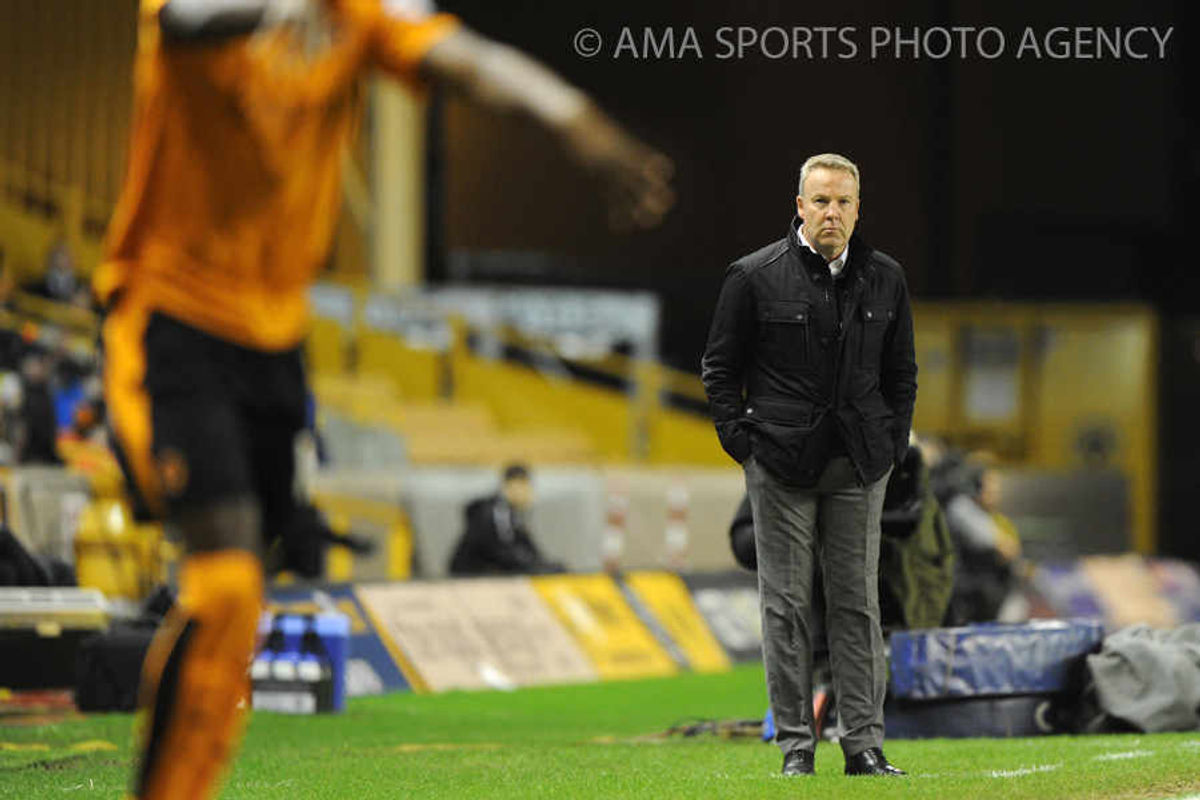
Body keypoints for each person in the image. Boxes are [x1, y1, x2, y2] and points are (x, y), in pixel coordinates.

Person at [98, 3, 673, 798]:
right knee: (225, 585)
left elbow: (471, 60)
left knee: (242, 600)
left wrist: (576, 119)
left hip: (276, 337)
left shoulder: (357, 16)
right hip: (173, 318)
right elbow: (191, 20)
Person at [701, 153, 917, 777]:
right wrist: (743, 445)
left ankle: (864, 747)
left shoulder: (887, 278)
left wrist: (891, 445)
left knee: (858, 606)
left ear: (858, 209)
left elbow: (902, 373)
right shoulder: (752, 276)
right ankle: (798, 748)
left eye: (843, 202)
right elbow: (719, 369)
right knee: (786, 606)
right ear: (799, 207)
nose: (832, 213)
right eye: (820, 201)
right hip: (780, 464)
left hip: (859, 465)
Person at [448, 462, 563, 576]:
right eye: (523, 486)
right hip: (472, 575)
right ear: (510, 485)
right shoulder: (497, 511)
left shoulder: (511, 514)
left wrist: (540, 563)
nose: (527, 492)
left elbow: (523, 545)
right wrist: (533, 566)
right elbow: (503, 549)